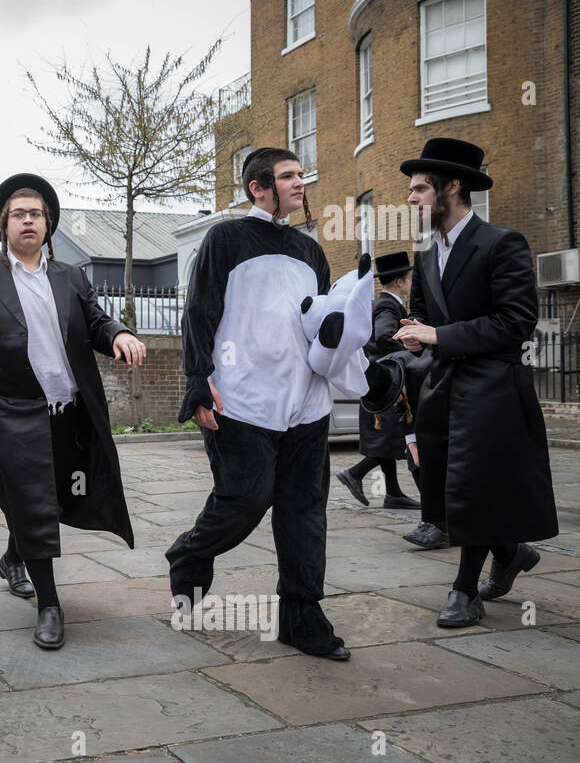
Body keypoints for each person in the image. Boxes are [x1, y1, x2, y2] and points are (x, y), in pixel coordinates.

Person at [166, 147, 400, 661]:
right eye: (289, 177)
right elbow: (200, 311)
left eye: (300, 176)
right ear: (258, 186)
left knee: (304, 510)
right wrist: (197, 383)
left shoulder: (310, 251)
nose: (300, 183)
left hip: (307, 406)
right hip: (240, 399)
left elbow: (322, 323)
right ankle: (191, 551)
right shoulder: (225, 239)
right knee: (244, 500)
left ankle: (301, 613)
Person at [0, 173, 143, 650]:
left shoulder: (70, 276)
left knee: (51, 496)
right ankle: (49, 603)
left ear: (48, 225)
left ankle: (13, 559)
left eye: (36, 214)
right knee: (34, 501)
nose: (28, 220)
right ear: (3, 225)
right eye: (18, 214)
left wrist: (118, 335)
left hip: (68, 410)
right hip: (11, 412)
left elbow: (94, 320)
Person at [393, 138, 558, 627]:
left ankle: (465, 590)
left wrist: (437, 334)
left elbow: (515, 323)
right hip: (443, 387)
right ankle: (509, 552)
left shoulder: (502, 243)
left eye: (420, 188)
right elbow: (421, 315)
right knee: (451, 489)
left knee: (477, 488)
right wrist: (415, 335)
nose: (411, 198)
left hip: (494, 389)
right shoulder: (424, 254)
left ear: (453, 187)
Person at [336, 252, 421, 511]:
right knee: (391, 435)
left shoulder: (379, 303)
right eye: (409, 278)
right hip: (387, 382)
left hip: (377, 380)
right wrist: (409, 342)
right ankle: (355, 473)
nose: (411, 283)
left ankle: (392, 493)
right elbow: (385, 337)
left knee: (386, 436)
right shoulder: (388, 306)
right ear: (399, 281)